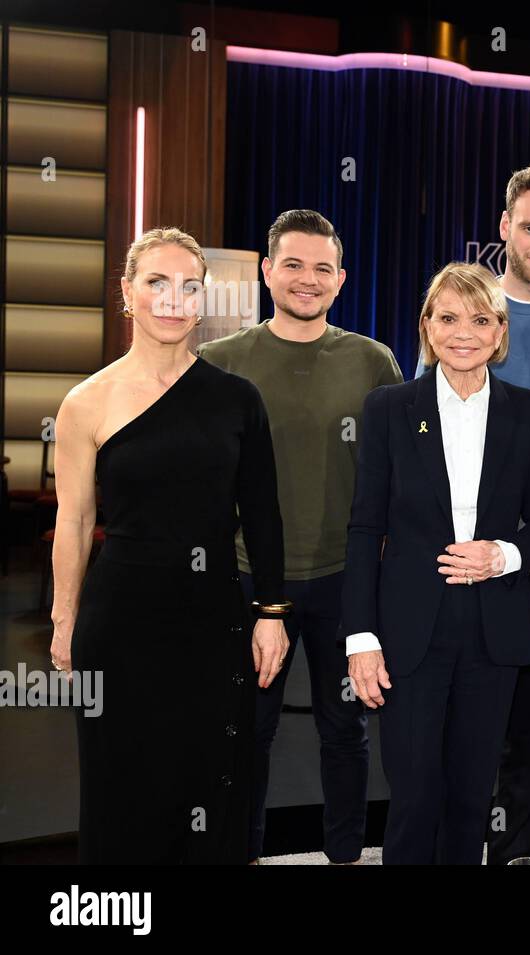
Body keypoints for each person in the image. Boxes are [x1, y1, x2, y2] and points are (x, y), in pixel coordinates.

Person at [51, 227, 288, 863]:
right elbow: (73, 522)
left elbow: (263, 516)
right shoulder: (85, 402)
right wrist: (64, 618)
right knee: (119, 780)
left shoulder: (238, 399)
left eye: (189, 286)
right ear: (127, 294)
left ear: (202, 300)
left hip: (211, 617)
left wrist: (271, 614)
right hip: (119, 616)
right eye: (156, 283)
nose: (173, 300)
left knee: (209, 770)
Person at [198, 210, 402, 865]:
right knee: (246, 732)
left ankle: (344, 856)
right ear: (267, 270)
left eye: (321, 268)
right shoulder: (219, 362)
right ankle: (243, 853)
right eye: (293, 264)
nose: (306, 279)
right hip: (250, 577)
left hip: (346, 578)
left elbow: (414, 448)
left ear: (341, 280)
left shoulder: (373, 361)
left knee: (344, 730)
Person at [341, 263, 530, 864]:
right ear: (427, 327)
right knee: (413, 794)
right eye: (449, 317)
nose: (464, 332)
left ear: (499, 332)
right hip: (408, 629)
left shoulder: (529, 412)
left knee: (471, 794)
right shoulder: (388, 408)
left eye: (481, 319)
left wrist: (504, 555)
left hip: (494, 629)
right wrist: (361, 637)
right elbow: (365, 528)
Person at [419, 164, 530, 864]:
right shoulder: (462, 314)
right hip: (463, 566)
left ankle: (526, 855)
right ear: (504, 228)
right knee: (456, 734)